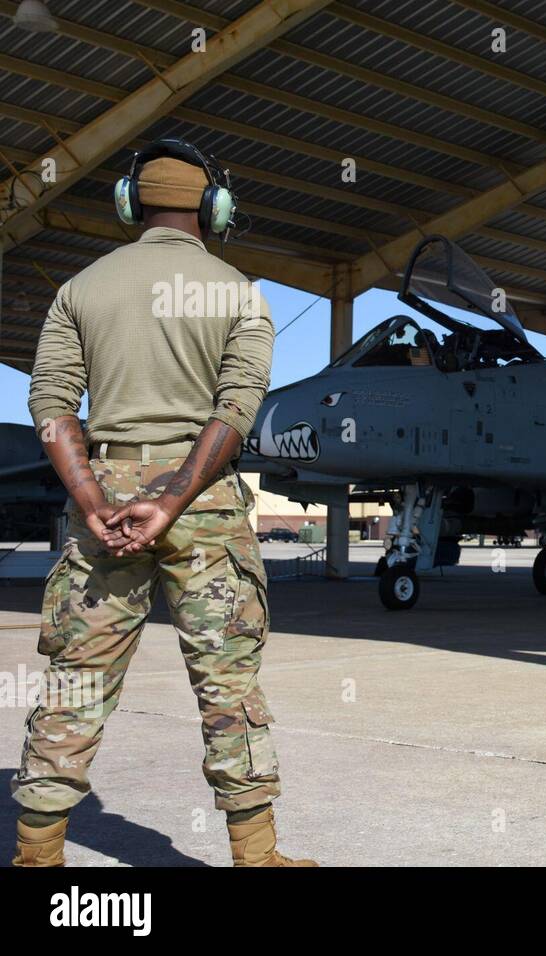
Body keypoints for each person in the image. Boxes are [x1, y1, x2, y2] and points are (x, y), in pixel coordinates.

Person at [13, 138, 314, 867]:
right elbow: (236, 408)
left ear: (130, 203)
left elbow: (51, 404)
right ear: (214, 209)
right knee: (227, 679)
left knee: (78, 675)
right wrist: (175, 495)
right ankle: (255, 854)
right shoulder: (240, 292)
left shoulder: (80, 289)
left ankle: (37, 855)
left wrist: (89, 499)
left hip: (105, 494)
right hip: (201, 497)